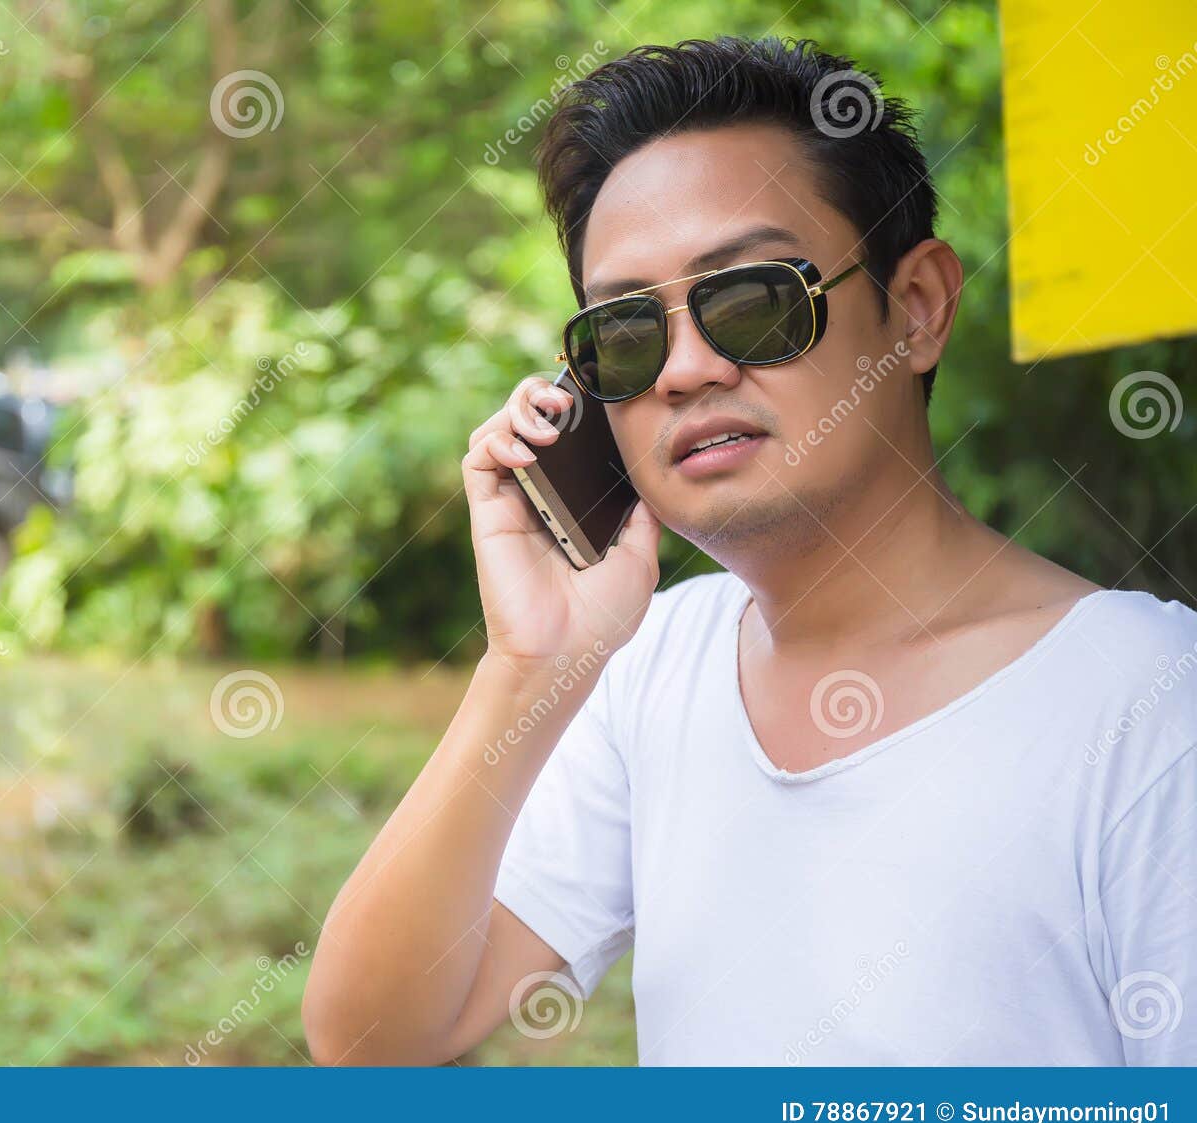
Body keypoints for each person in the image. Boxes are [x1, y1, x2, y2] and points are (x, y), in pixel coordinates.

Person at [301, 36, 1197, 1066]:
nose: (682, 369)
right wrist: (530, 668)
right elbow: (369, 1038)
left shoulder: (1146, 706)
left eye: (751, 300)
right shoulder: (654, 667)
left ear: (915, 309)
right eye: (626, 334)